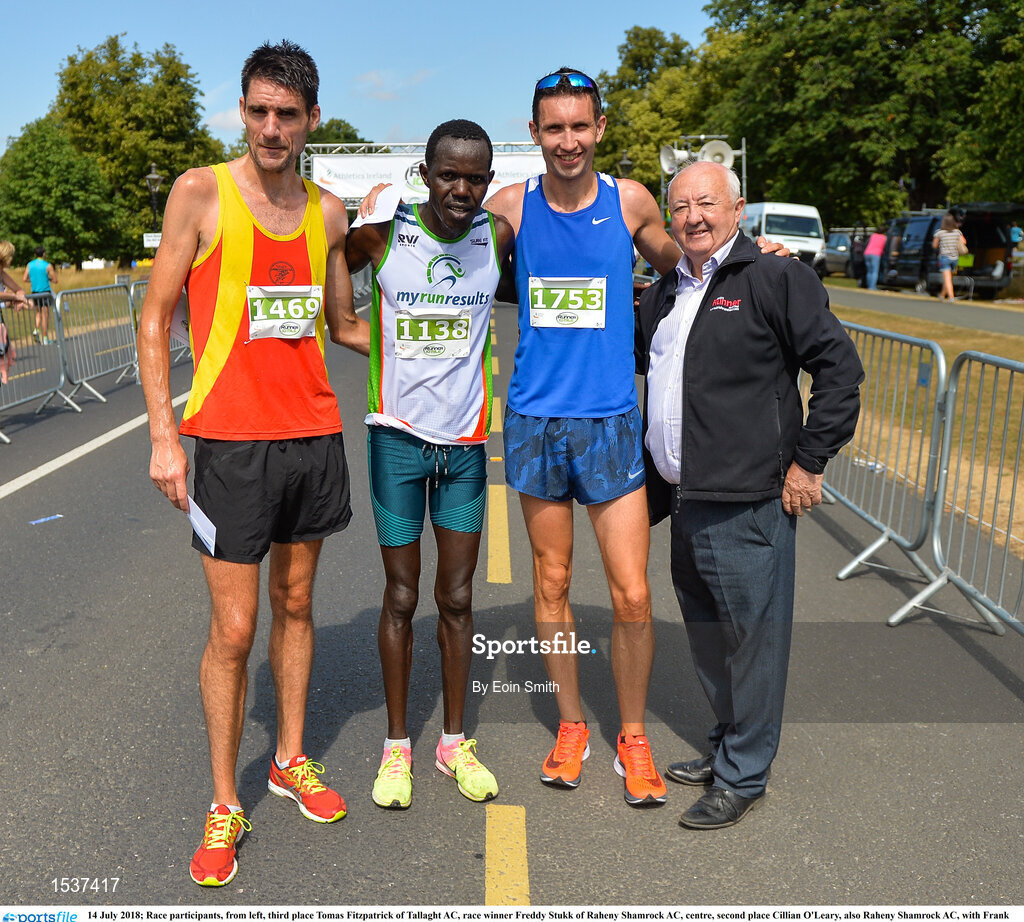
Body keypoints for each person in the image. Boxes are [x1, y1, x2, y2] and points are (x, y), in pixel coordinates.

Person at [483, 68, 788, 807]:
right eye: (553, 128)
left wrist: (756, 256)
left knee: (632, 594)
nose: (567, 141)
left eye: (579, 126)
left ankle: (632, 735)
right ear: (534, 133)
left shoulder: (629, 201)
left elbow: (689, 264)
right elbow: (439, 257)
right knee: (551, 584)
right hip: (533, 423)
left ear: (601, 128)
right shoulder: (509, 208)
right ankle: (569, 724)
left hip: (613, 423)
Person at [137, 40, 368, 888]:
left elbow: (345, 325)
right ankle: (224, 800)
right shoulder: (201, 192)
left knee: (299, 602)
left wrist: (436, 347)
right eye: (259, 110)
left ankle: (291, 759)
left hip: (312, 436)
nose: (272, 127)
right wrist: (166, 434)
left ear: (312, 119)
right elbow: (155, 317)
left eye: (289, 114)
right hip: (229, 445)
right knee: (235, 631)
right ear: (243, 111)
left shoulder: (331, 213)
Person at [635, 161, 863, 830]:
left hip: (750, 503)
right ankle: (728, 745)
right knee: (710, 639)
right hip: (686, 499)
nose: (693, 217)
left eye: (707, 203)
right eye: (680, 207)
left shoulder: (775, 276)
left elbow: (840, 371)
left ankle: (744, 776)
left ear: (738, 210)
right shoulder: (663, 292)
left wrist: (808, 461)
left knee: (753, 644)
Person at [345, 119, 515, 810]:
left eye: (476, 177)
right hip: (397, 441)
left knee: (458, 598)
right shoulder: (385, 236)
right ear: (424, 171)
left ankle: (452, 743)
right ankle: (395, 748)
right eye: (449, 174)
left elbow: (576, 258)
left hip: (466, 448)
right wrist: (388, 351)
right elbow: (330, 289)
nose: (462, 188)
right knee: (402, 597)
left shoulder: (497, 237)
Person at [0, 241, 30, 385]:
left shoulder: (2, 272)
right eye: (10, 255)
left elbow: (19, 289)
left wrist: (18, 297)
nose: (12, 259)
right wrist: (14, 297)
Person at [23, 246, 57, 344]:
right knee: (45, 316)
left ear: (35, 254)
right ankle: (45, 338)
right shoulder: (47, 265)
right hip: (45, 292)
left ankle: (36, 330)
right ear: (44, 254)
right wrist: (48, 279)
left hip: (35, 293)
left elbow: (24, 279)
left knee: (38, 313)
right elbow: (55, 280)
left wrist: (33, 280)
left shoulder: (30, 265)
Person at [932, 212, 967, 301]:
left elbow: (934, 245)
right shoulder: (957, 232)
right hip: (955, 258)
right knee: (948, 277)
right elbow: (964, 242)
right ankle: (942, 295)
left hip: (944, 257)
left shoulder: (939, 232)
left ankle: (951, 296)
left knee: (947, 278)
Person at [862, 226, 887, 290]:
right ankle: (872, 287)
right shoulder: (884, 238)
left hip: (867, 253)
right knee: (874, 271)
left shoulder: (873, 235)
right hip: (875, 254)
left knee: (869, 271)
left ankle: (869, 285)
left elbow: (866, 243)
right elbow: (886, 247)